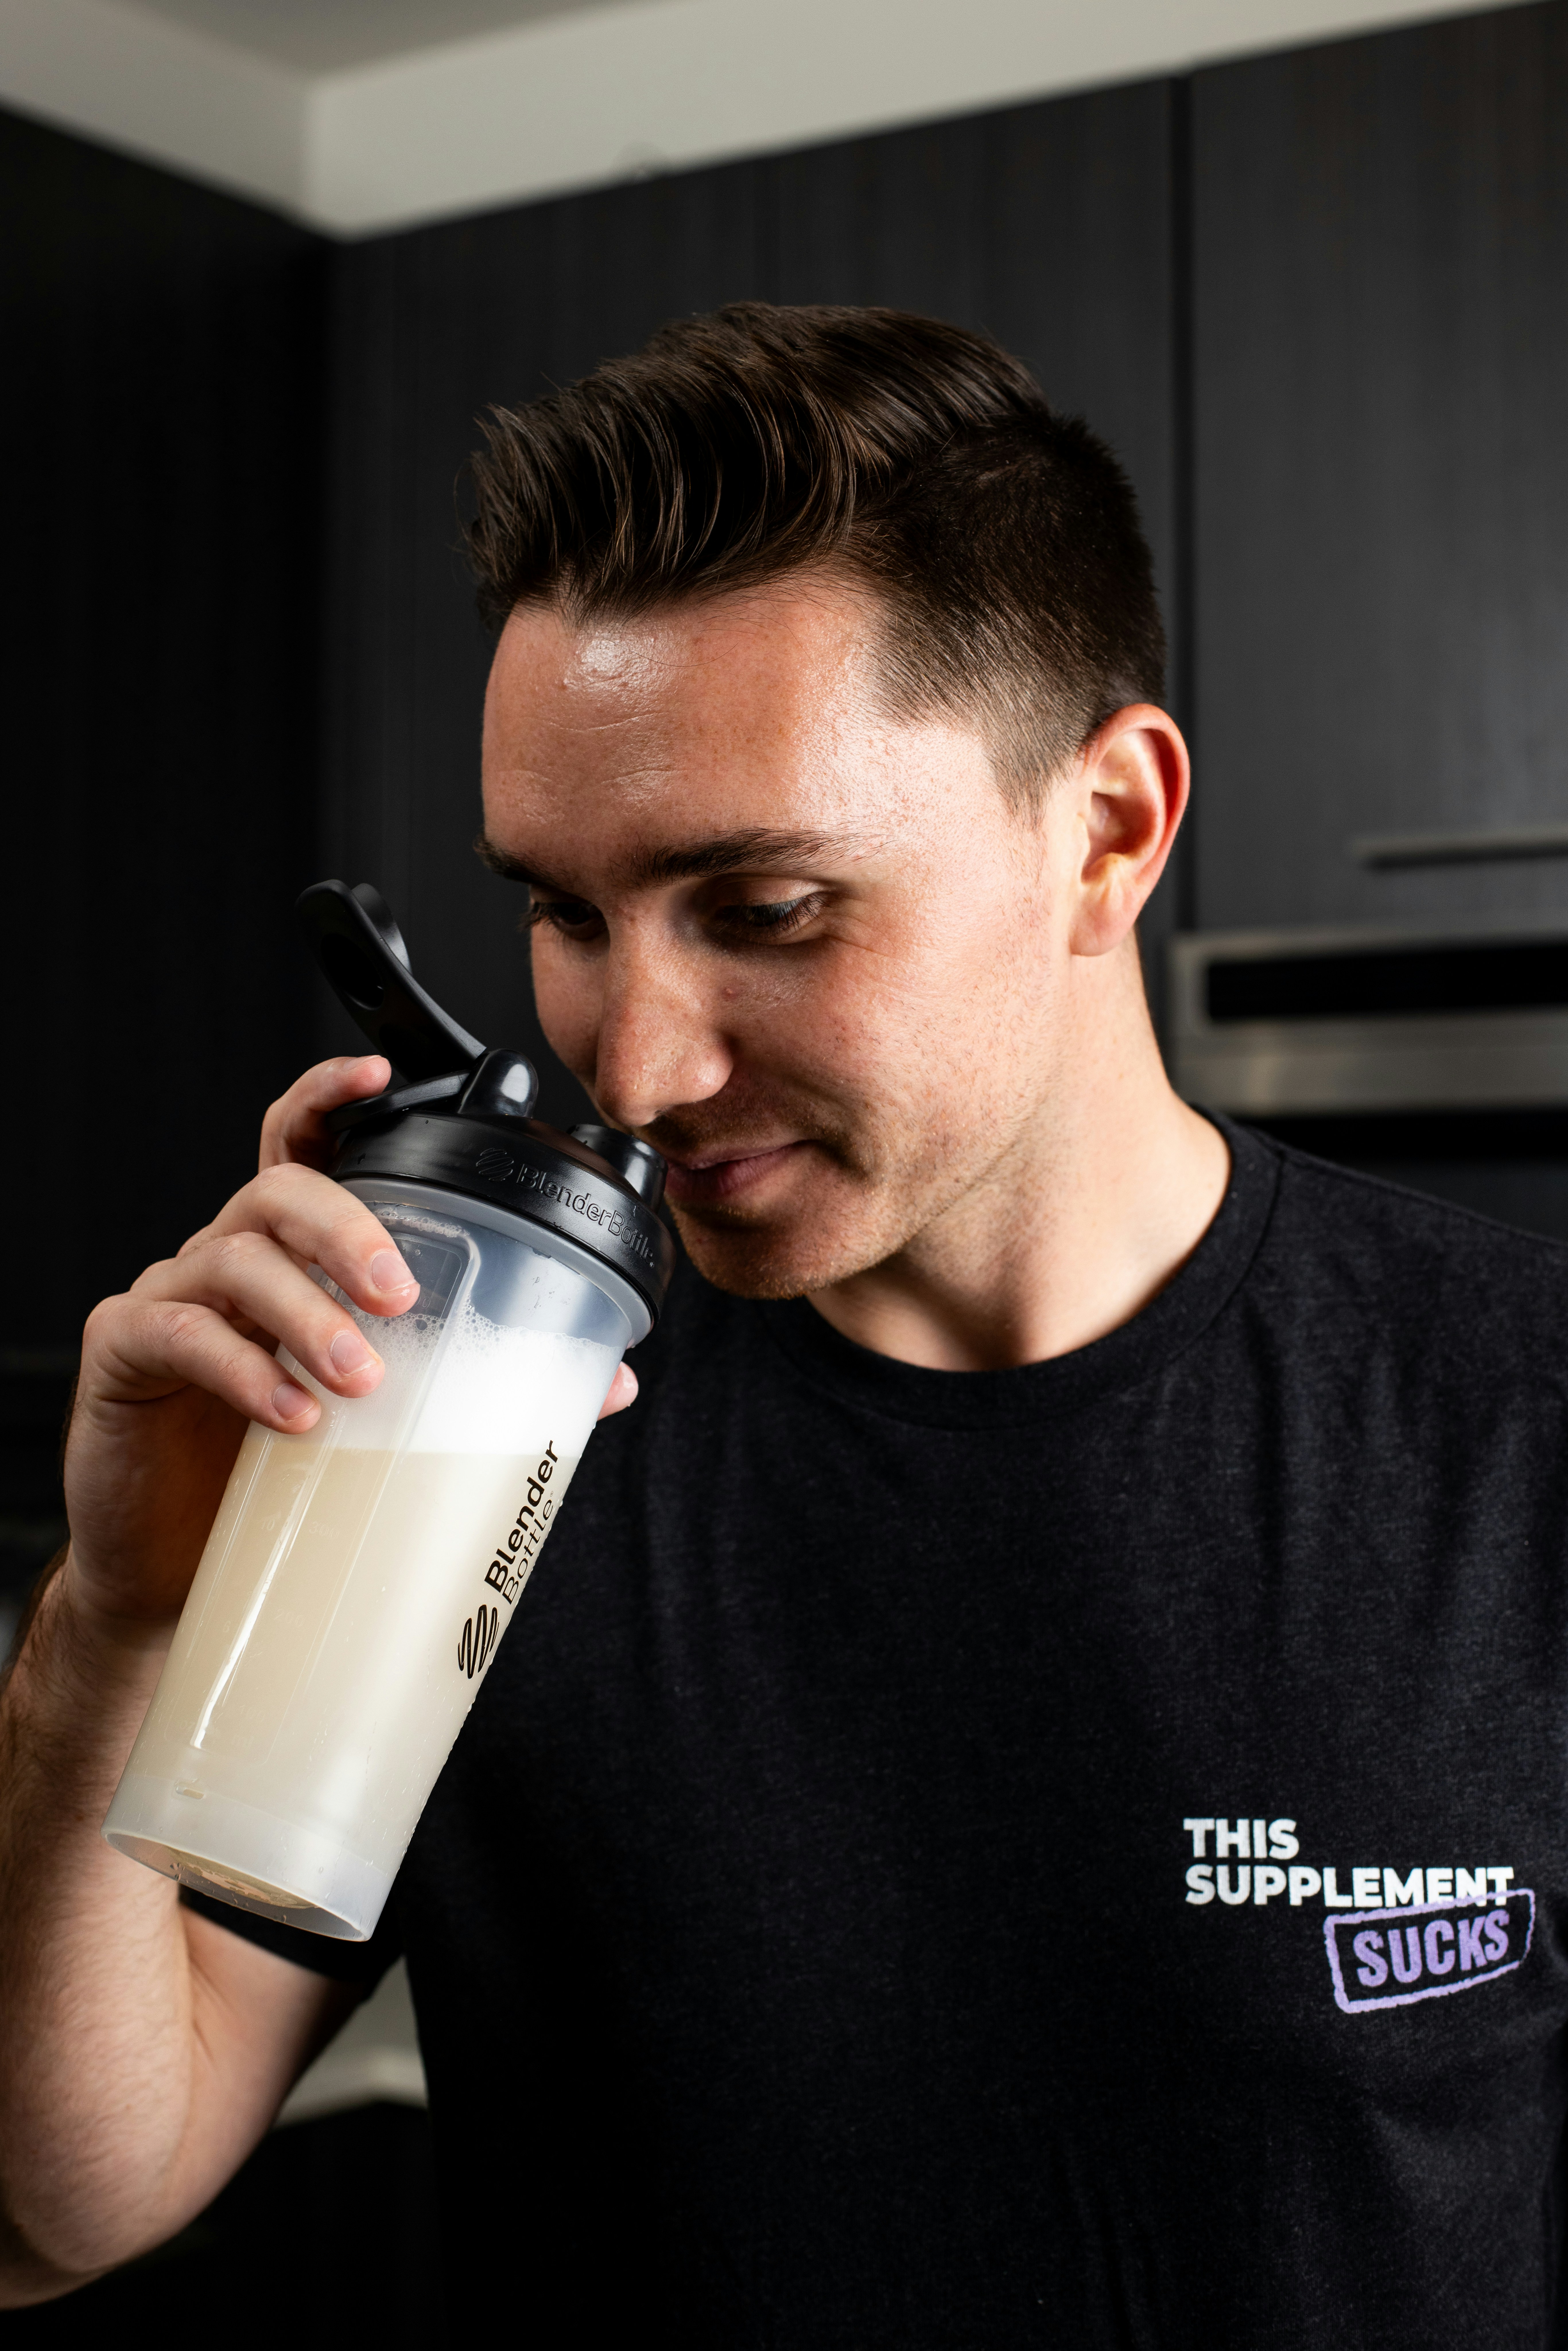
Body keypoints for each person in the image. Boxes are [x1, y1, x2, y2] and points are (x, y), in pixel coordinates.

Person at [2, 302, 1566, 2346]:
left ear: (1106, 831)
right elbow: (55, 2210)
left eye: (765, 910)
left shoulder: (1519, 1417)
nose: (629, 1070)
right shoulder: (483, 1436)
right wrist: (110, 1632)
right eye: (564, 913)